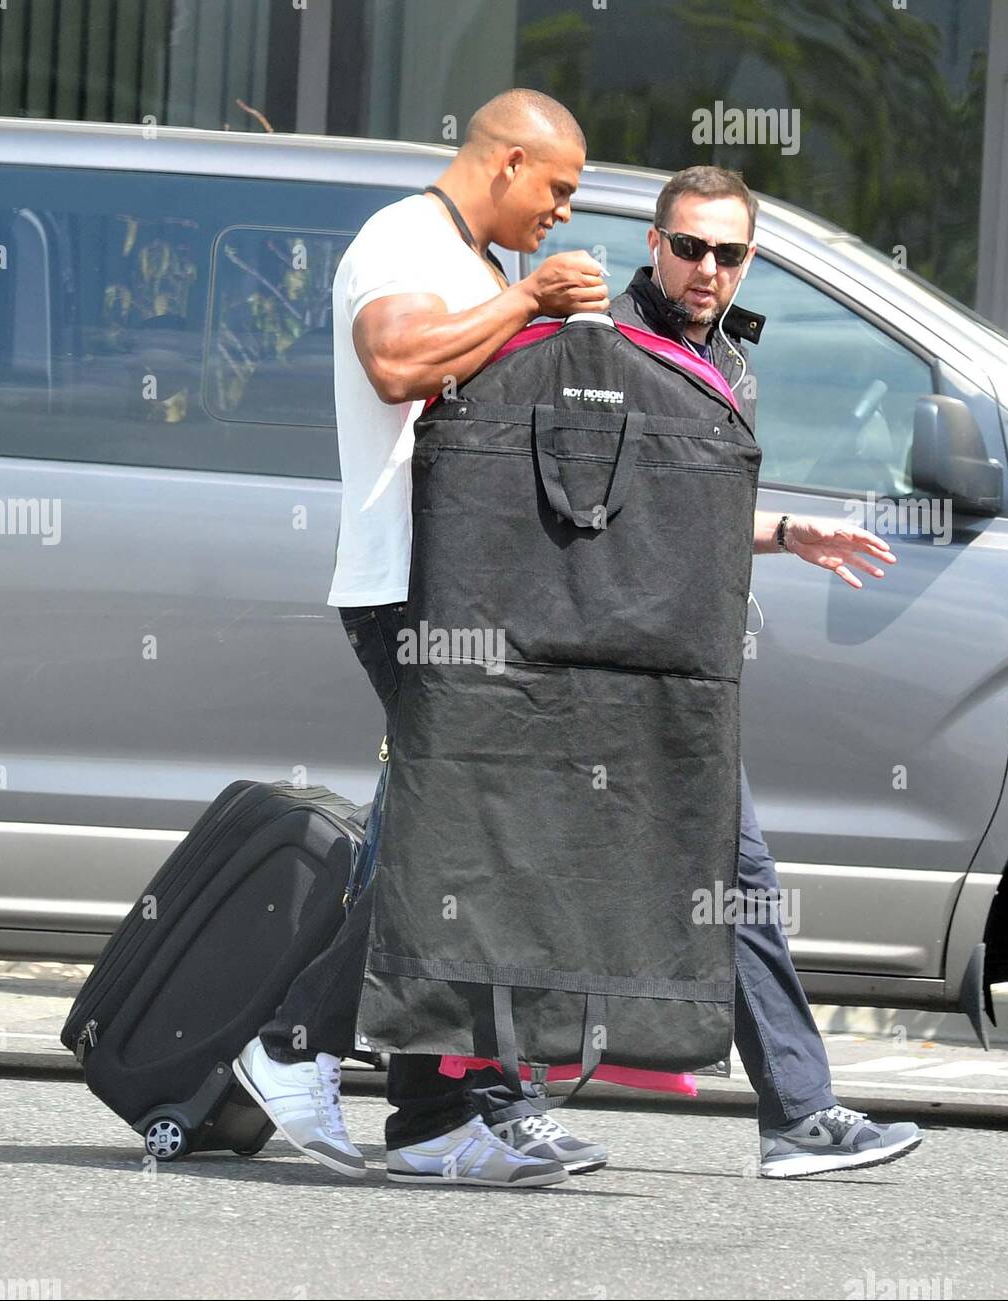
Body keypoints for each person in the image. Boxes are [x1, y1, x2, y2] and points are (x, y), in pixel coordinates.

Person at [234, 90, 613, 1187]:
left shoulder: (479, 266)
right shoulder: (402, 239)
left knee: (452, 848)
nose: (561, 211)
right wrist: (533, 296)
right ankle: (295, 1043)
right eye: (556, 187)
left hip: (471, 595)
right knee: (451, 846)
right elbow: (398, 365)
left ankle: (435, 1110)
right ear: (503, 162)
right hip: (411, 591)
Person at [609, 164, 923, 1177]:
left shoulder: (727, 363)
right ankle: (305, 1037)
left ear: (751, 261)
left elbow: (695, 513)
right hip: (625, 663)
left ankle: (797, 1111)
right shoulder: (615, 352)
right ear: (655, 242)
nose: (708, 270)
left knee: (717, 880)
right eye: (689, 247)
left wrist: (790, 530)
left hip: (689, 665)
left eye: (729, 253)